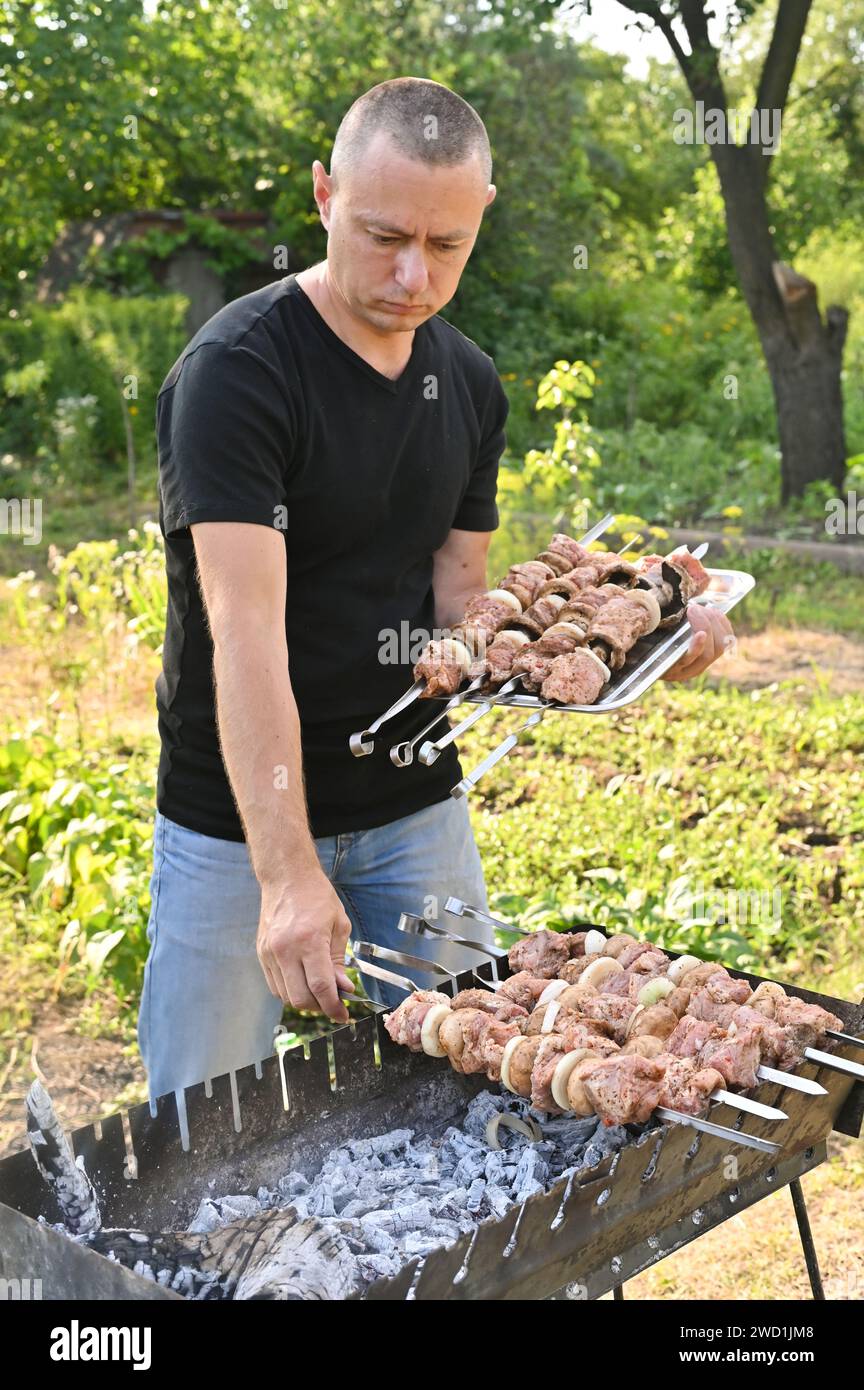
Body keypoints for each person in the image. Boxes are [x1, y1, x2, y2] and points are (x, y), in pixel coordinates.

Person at [138, 77, 734, 1101]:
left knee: (479, 1095)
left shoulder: (469, 383)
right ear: (324, 195)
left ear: (482, 215)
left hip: (414, 803)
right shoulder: (238, 372)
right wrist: (286, 878)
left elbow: (463, 608)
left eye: (447, 245)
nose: (414, 274)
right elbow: (244, 634)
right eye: (383, 236)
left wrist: (648, 635)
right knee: (200, 1122)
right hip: (240, 824)